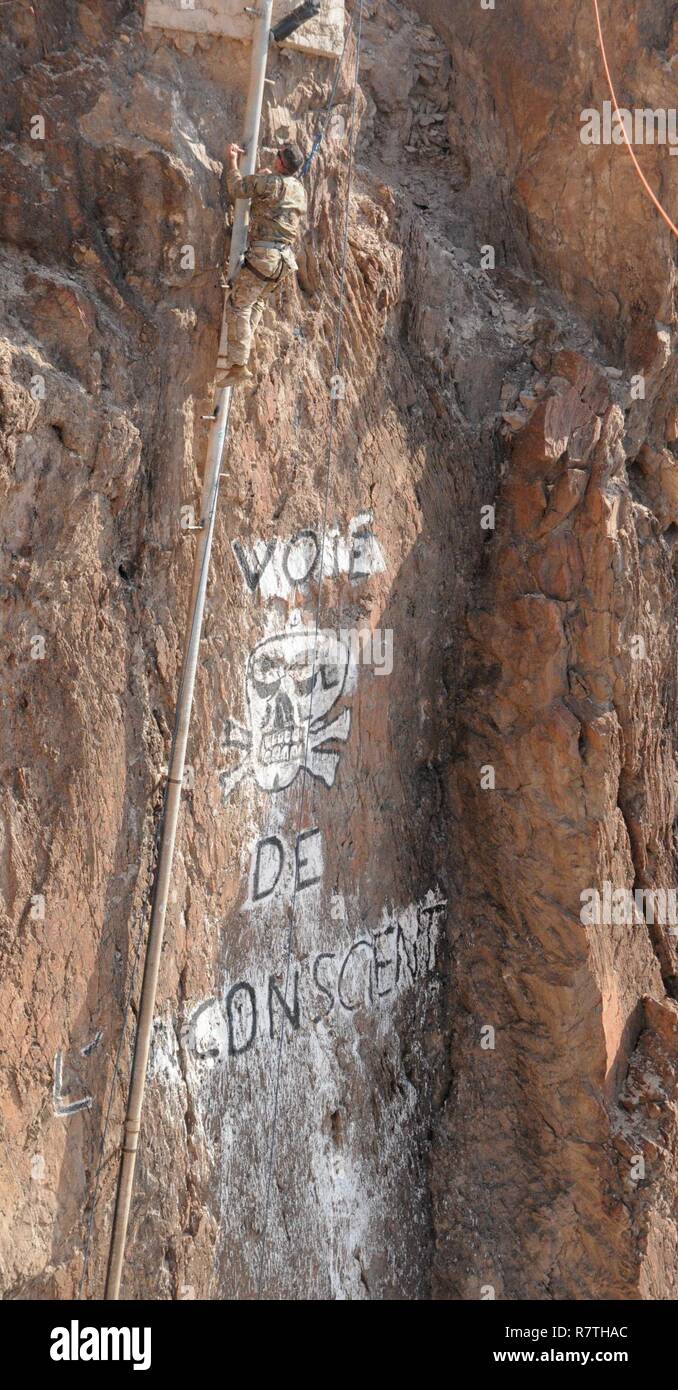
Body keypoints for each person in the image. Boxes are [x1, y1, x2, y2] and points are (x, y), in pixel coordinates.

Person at [215, 140, 308, 387]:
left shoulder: (268, 182)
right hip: (284, 261)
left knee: (238, 306)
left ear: (280, 161)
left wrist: (233, 161)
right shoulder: (299, 189)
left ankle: (238, 365)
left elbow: (237, 188)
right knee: (256, 303)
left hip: (264, 257)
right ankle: (240, 357)